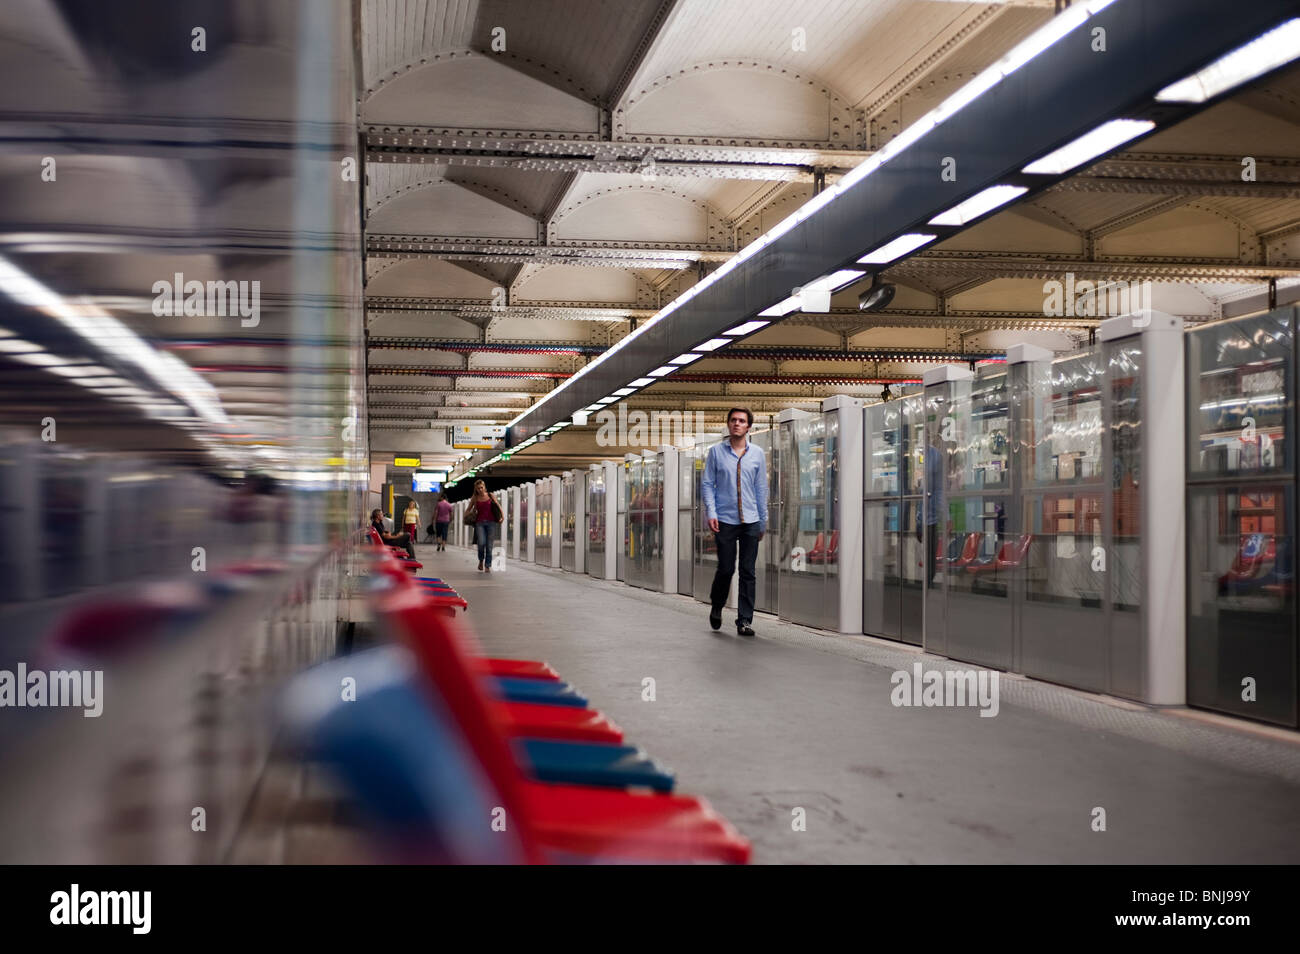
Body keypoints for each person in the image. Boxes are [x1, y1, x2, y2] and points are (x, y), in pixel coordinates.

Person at [701, 407, 768, 637]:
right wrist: (711, 512)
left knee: (748, 571)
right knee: (726, 568)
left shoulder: (757, 454)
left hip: (751, 519)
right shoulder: (716, 453)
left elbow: (761, 488)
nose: (737, 424)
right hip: (725, 520)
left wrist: (763, 520)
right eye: (733, 420)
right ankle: (717, 604)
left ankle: (745, 621)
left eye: (741, 421)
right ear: (728, 424)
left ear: (748, 427)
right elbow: (708, 484)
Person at [467, 479, 504, 572]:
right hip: (480, 523)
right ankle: (480, 560)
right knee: (481, 543)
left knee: (489, 545)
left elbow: (498, 506)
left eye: (481, 487)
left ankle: (487, 565)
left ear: (484, 487)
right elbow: (468, 509)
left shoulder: (490, 495)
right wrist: (465, 518)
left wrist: (502, 516)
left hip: (491, 523)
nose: (480, 489)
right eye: (478, 488)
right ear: (476, 489)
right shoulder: (475, 498)